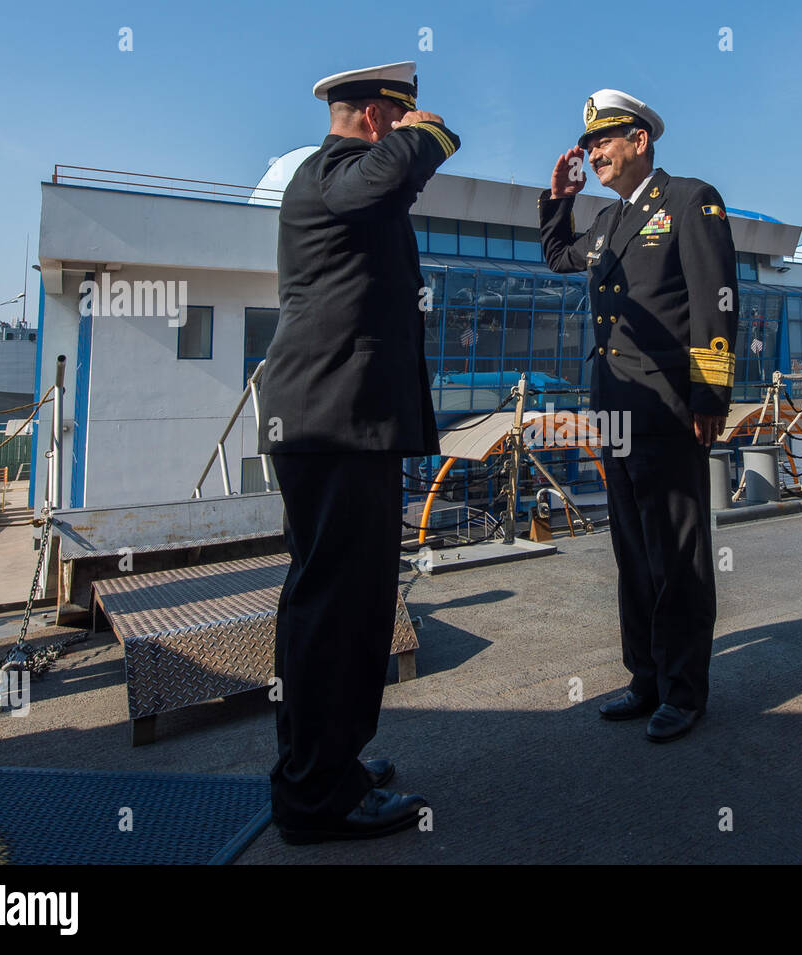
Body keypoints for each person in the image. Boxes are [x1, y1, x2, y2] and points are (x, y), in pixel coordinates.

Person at [257, 61, 459, 842]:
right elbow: (379, 182)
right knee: (337, 609)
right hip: (334, 422)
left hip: (344, 421)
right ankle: (315, 796)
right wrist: (428, 134)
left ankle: (329, 764)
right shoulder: (333, 171)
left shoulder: (345, 177)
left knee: (348, 603)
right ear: (378, 119)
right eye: (401, 124)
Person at [538, 89, 738, 742]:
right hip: (616, 411)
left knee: (678, 554)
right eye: (589, 142)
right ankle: (646, 676)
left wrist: (710, 397)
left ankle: (684, 691)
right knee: (634, 553)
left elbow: (716, 302)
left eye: (604, 140)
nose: (593, 150)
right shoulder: (608, 222)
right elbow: (559, 256)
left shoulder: (691, 200)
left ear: (640, 140)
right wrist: (560, 199)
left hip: (672, 410)